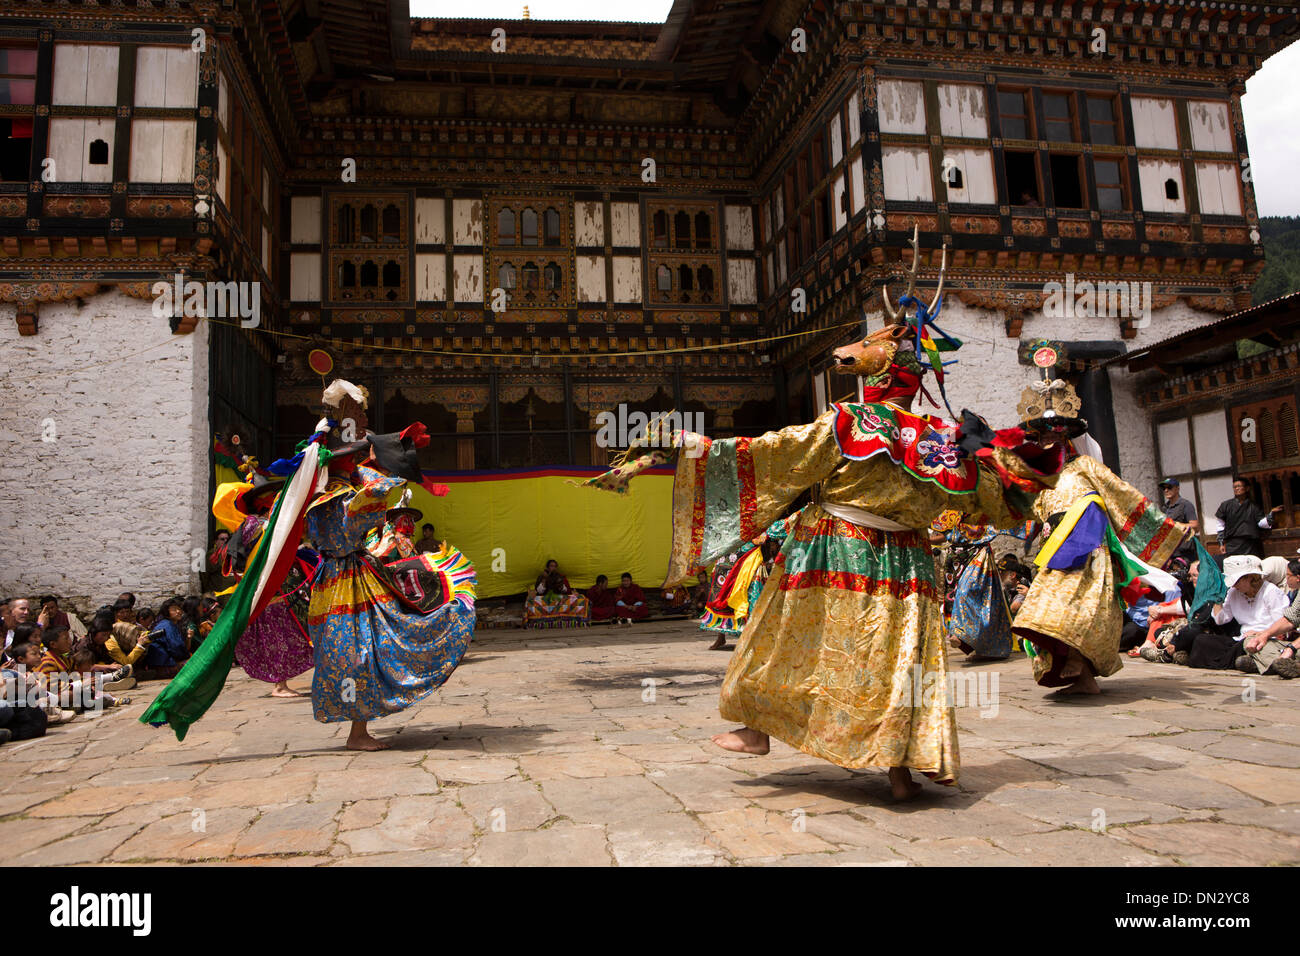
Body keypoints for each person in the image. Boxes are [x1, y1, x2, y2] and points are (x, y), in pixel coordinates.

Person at [587, 316, 1063, 799]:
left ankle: (757, 731)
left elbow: (776, 453)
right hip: (909, 564)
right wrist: (1034, 456)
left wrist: (688, 445)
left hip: (834, 550)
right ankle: (900, 769)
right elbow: (991, 496)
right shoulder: (942, 439)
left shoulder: (852, 422)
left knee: (784, 641)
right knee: (899, 659)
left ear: (878, 373)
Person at [1010, 376, 1189, 696]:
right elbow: (1027, 509)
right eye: (1043, 435)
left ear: (1067, 437)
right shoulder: (1042, 477)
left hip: (1088, 548)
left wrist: (1170, 530)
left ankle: (1079, 666)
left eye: (1056, 433)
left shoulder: (1085, 466)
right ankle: (1082, 679)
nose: (1049, 440)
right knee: (1051, 611)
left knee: (1062, 611)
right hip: (1054, 549)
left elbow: (1124, 497)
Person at [225, 477, 316, 698]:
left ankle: (283, 683)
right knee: (276, 637)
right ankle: (279, 685)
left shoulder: (270, 524)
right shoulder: (254, 525)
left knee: (287, 634)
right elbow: (238, 555)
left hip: (279, 589)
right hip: (267, 590)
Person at [1172, 554, 1288, 670]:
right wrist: (1218, 598)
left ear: (1249, 577)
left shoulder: (1271, 592)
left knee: (1242, 647)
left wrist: (1261, 633)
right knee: (1202, 641)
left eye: (1237, 581)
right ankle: (1248, 662)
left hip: (1265, 639)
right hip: (1241, 639)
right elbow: (1220, 619)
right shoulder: (1234, 592)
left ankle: (1251, 662)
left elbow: (1282, 626)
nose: (1234, 585)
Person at [1215, 478, 1282, 558]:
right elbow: (1220, 526)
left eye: (1239, 486)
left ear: (1247, 488)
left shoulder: (1254, 506)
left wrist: (1271, 514)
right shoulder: (1225, 505)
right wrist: (1221, 543)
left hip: (1250, 544)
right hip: (1233, 544)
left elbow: (1261, 524)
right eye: (1235, 487)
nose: (1237, 488)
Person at [523, 559, 590, 628]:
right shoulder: (542, 576)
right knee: (532, 601)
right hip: (545, 598)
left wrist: (560, 585)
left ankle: (575, 620)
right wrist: (544, 579)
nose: (553, 568)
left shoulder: (559, 576)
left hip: (558, 598)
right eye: (551, 566)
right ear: (547, 567)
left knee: (578, 599)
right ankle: (535, 621)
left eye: (555, 566)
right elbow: (540, 591)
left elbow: (565, 590)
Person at [1158, 478, 1199, 562]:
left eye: (1169, 487)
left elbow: (1195, 526)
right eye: (1164, 488)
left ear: (1177, 489)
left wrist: (1175, 525)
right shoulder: (1164, 508)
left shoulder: (1185, 505)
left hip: (1184, 552)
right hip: (1169, 552)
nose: (1166, 490)